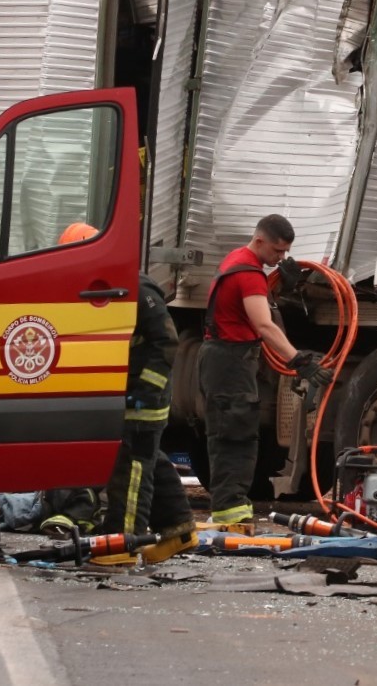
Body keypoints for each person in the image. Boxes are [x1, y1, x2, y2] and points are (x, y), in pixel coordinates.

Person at [55, 223, 196, 562]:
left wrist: (145, 390)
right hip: (127, 395)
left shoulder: (134, 286)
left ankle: (121, 543)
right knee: (149, 459)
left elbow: (165, 341)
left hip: (143, 399)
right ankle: (179, 527)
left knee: (130, 471)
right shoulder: (103, 288)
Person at [198, 214, 320, 526]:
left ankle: (229, 508)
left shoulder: (236, 261)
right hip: (230, 361)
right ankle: (229, 512)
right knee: (234, 435)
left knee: (229, 432)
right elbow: (264, 324)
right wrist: (299, 361)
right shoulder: (249, 272)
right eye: (278, 252)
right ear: (260, 241)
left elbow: (248, 308)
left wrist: (280, 289)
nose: (282, 258)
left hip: (223, 358)